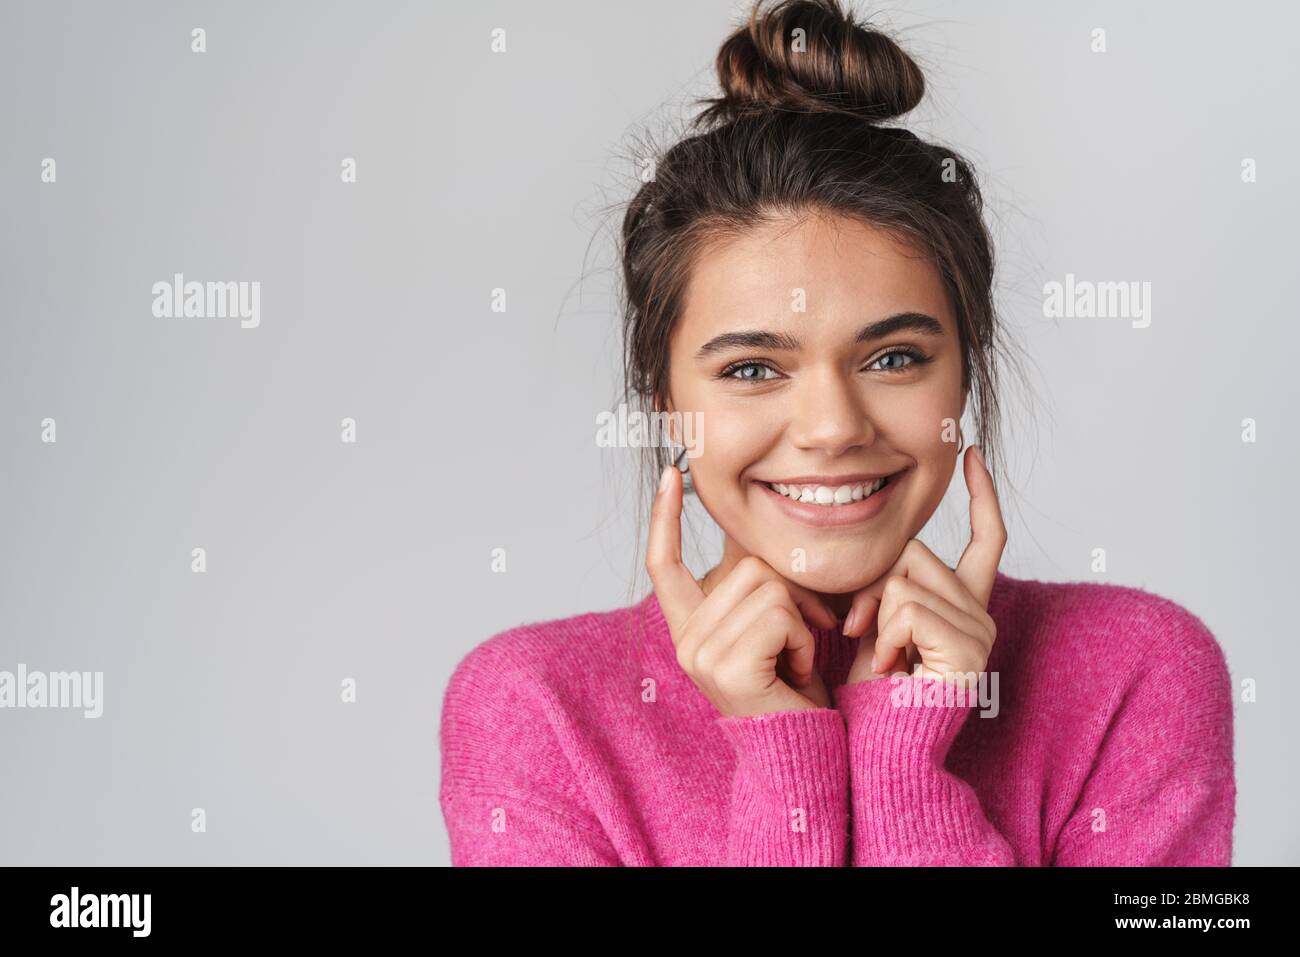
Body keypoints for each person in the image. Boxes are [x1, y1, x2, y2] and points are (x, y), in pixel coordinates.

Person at [438, 0, 1235, 866]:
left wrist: (905, 765)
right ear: (662, 400)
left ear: (964, 373)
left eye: (892, 358)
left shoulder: (1140, 672)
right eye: (751, 369)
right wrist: (783, 758)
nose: (831, 429)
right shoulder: (534, 709)